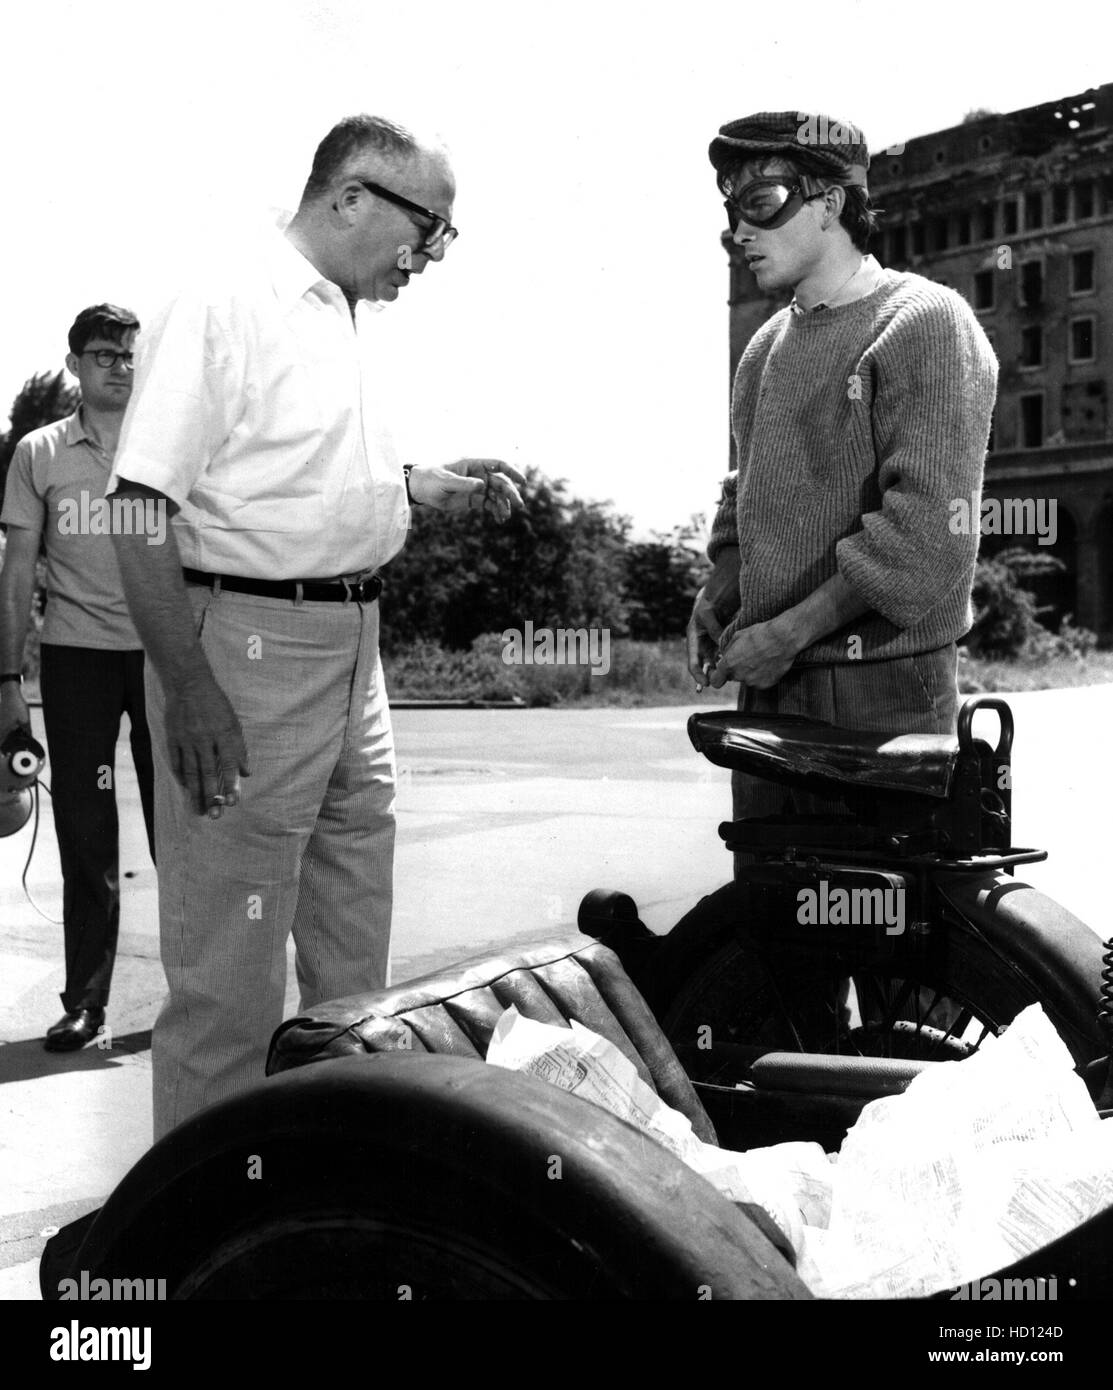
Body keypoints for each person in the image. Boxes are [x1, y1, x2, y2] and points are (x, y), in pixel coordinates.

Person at [107, 114, 523, 1139]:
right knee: (228, 987)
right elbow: (135, 508)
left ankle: (327, 1205)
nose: (427, 259)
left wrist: (424, 484)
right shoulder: (224, 302)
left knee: (353, 970)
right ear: (351, 198)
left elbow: (296, 477)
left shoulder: (338, 316)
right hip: (241, 652)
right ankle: (205, 1247)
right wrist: (191, 688)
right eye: (427, 232)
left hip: (353, 650)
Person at [686, 111, 998, 832]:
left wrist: (789, 632)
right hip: (767, 685)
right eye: (729, 208)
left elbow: (924, 535)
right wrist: (720, 587)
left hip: (880, 694)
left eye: (759, 202)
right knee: (768, 916)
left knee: (880, 924)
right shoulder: (765, 345)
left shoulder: (924, 321)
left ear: (830, 202)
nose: (739, 229)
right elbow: (746, 492)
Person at [0, 304, 156, 1050]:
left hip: (166, 657)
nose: (118, 367)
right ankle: (86, 1002)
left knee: (185, 831)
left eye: (128, 355)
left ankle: (201, 998)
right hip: (75, 660)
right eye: (103, 355)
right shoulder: (41, 452)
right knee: (87, 833)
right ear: (74, 365)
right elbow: (18, 570)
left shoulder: (169, 447)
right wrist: (6, 680)